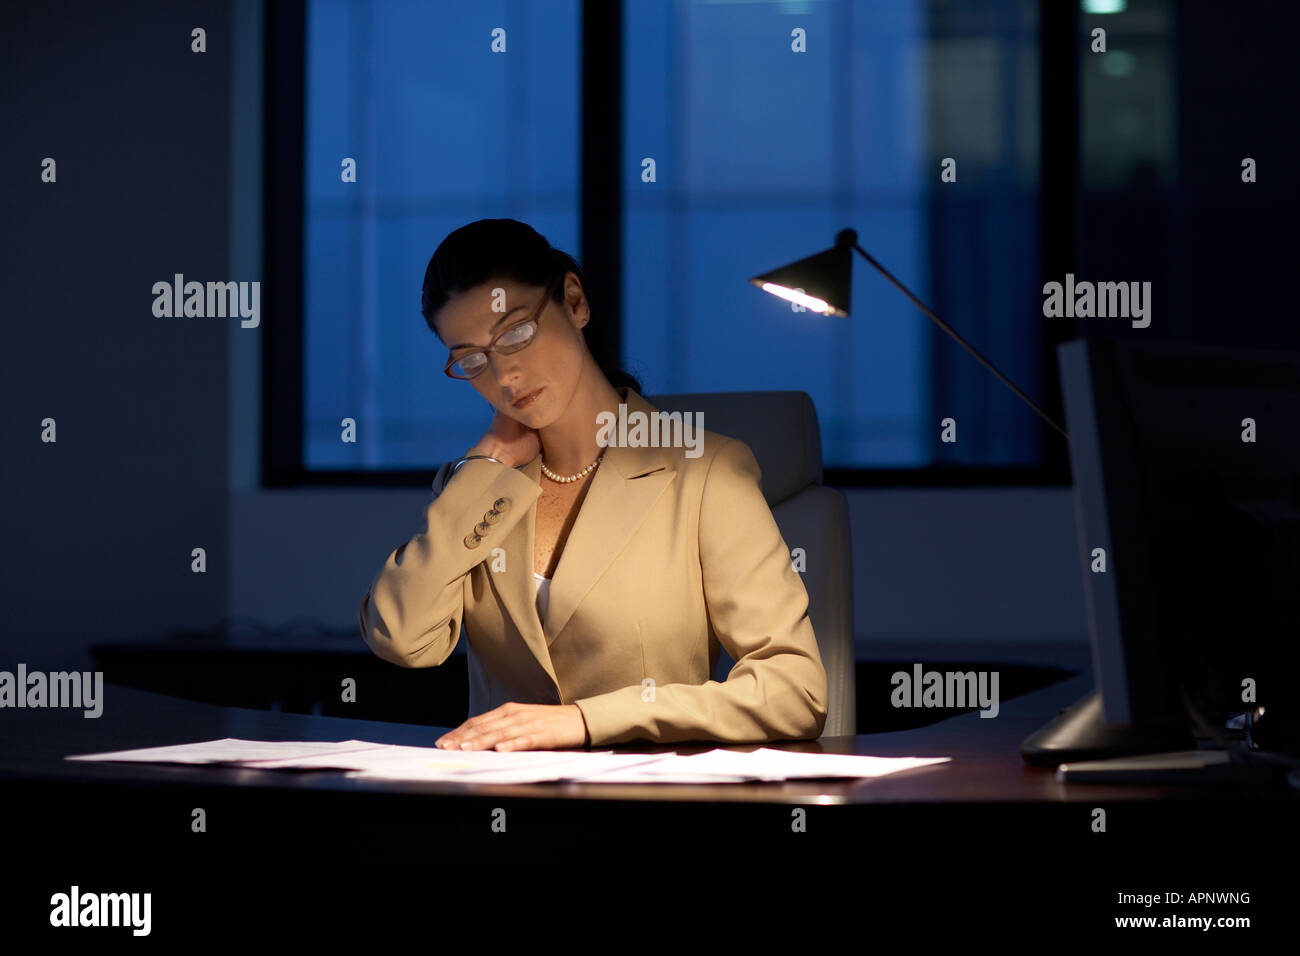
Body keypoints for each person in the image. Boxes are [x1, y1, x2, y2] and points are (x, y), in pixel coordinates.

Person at [358, 218, 827, 749]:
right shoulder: (477, 488)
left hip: (644, 802)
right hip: (496, 807)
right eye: (473, 360)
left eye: (515, 333)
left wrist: (584, 720)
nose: (505, 375)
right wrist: (482, 470)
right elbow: (401, 639)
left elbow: (795, 691)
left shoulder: (706, 471)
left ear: (574, 301)